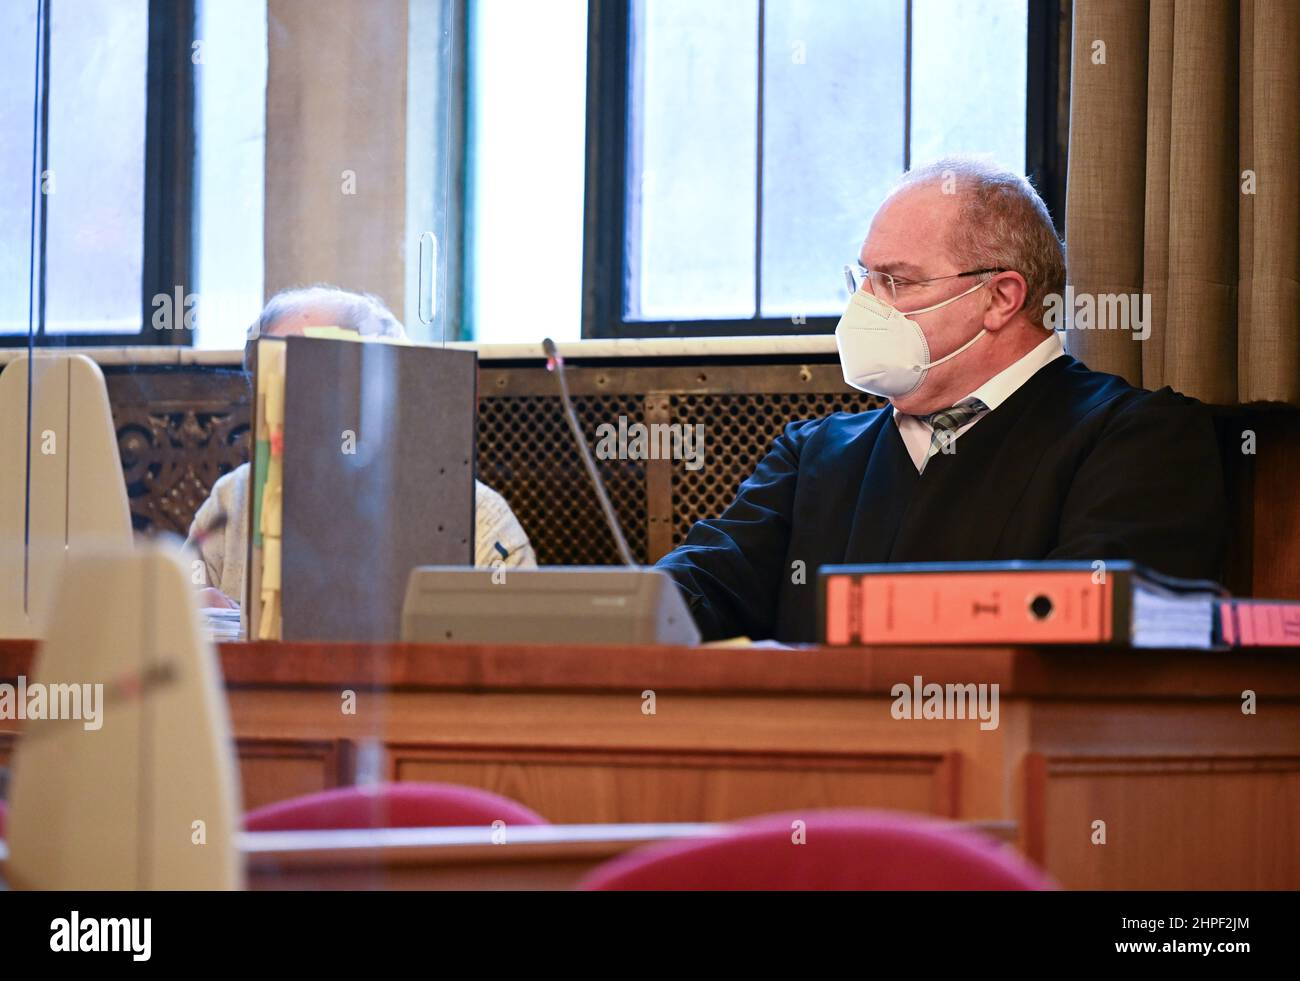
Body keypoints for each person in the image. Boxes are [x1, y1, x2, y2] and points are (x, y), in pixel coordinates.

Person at [655, 156, 1227, 643]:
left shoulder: (1137, 439)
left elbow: (1085, 633)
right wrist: (613, 608)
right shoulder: (814, 455)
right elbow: (704, 584)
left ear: (1000, 298)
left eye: (897, 282)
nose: (866, 307)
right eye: (864, 279)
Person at [187, 285, 536, 608]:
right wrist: (198, 614)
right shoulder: (233, 498)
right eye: (269, 382)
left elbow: (518, 654)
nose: (283, 405)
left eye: (306, 380)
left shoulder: (477, 516)